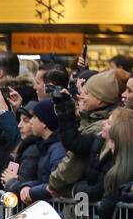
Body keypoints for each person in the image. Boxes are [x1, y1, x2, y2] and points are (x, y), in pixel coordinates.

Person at [49, 68, 125, 198]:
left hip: (82, 199)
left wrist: (53, 184)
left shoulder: (101, 126)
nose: (80, 96)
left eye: (87, 93)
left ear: (100, 99)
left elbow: (74, 156)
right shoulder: (89, 118)